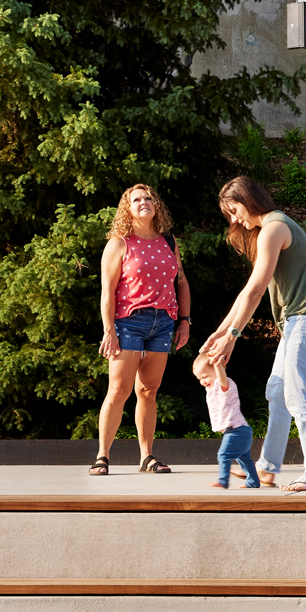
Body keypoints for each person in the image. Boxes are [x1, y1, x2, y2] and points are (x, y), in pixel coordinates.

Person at [200, 175, 306, 492]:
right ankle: (266, 468)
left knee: (297, 394)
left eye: (234, 210)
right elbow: (250, 289)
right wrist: (220, 332)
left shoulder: (274, 227)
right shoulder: (269, 230)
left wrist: (232, 336)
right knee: (277, 391)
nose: (234, 219)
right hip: (299, 321)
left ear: (249, 200)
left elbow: (257, 290)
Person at [90, 184, 190, 475]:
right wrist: (109, 330)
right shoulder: (119, 243)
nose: (144, 202)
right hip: (128, 323)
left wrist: (184, 321)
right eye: (137, 199)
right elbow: (107, 292)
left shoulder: (169, 242)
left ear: (156, 205)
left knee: (148, 391)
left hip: (163, 324)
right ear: (128, 208)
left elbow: (181, 281)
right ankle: (102, 457)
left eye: (148, 198)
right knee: (119, 390)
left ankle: (147, 457)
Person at [194, 351, 260, 489]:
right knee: (244, 459)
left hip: (236, 430)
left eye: (205, 376)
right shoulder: (211, 388)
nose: (203, 381)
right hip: (241, 430)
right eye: (199, 378)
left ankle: (223, 481)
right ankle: (253, 481)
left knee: (223, 455)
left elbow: (221, 378)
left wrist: (218, 366)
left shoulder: (223, 384)